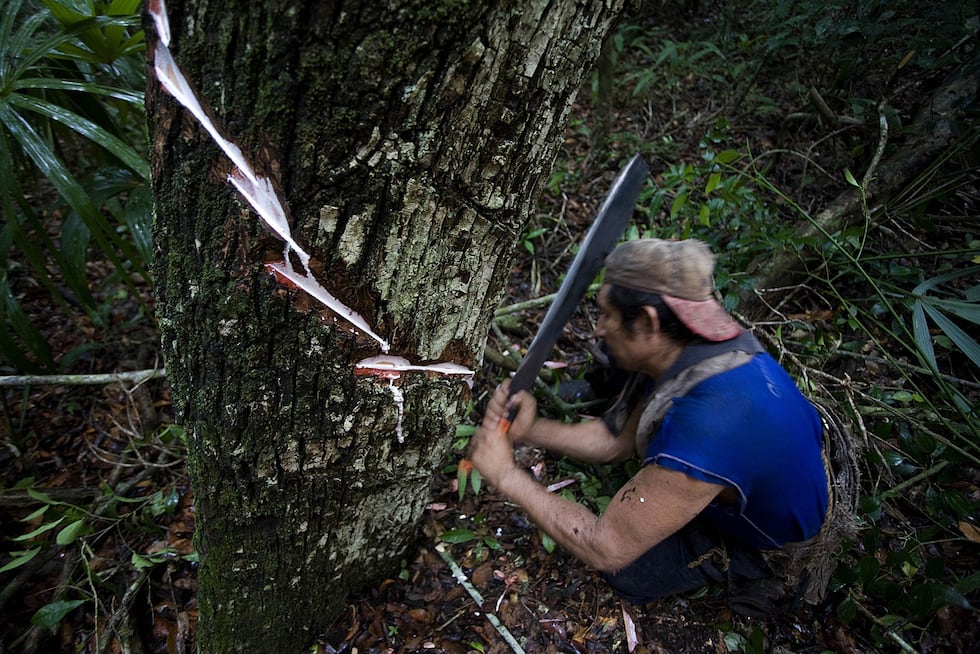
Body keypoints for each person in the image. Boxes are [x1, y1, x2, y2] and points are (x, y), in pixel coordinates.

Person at [469, 238, 835, 615]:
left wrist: (507, 476)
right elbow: (615, 442)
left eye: (606, 315)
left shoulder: (712, 421)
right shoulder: (691, 346)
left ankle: (751, 565)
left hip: (772, 535)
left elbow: (606, 546)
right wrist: (529, 430)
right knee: (614, 370)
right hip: (737, 453)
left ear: (647, 321)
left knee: (632, 571)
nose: (598, 329)